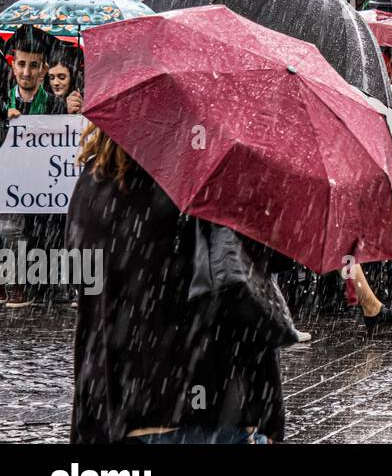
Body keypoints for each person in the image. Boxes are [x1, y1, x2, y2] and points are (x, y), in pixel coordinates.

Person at [69, 126, 288, 443]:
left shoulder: (92, 184)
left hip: (124, 409)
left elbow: (91, 304)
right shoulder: (202, 183)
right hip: (211, 406)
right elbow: (247, 293)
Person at [2, 27, 69, 308]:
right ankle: (12, 282)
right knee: (9, 229)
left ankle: (49, 286)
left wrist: (74, 115)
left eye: (33, 66)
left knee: (48, 231)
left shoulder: (56, 105)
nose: (26, 72)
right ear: (13, 64)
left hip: (44, 192)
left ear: (43, 69)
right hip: (10, 188)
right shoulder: (4, 103)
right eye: (21, 64)